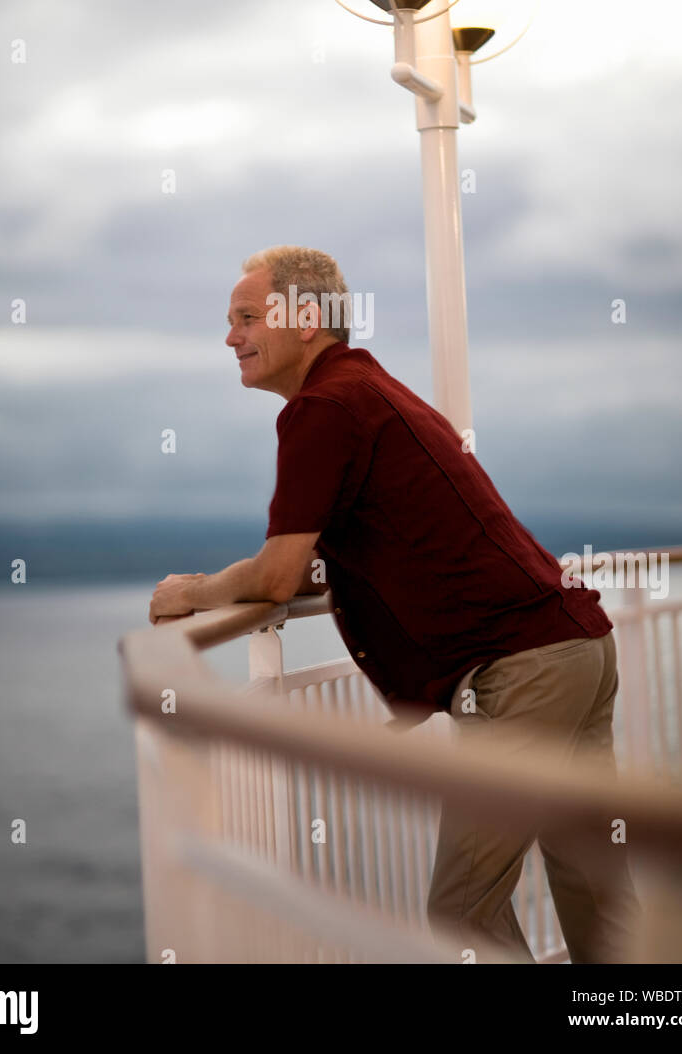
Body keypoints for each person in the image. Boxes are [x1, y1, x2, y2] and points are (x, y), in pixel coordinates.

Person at [149, 245, 641, 963]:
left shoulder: (323, 407)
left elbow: (279, 575)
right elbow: (335, 554)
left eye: (247, 318)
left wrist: (194, 591)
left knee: (459, 911)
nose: (230, 337)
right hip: (576, 647)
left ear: (307, 319)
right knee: (595, 889)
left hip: (527, 668)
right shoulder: (365, 390)